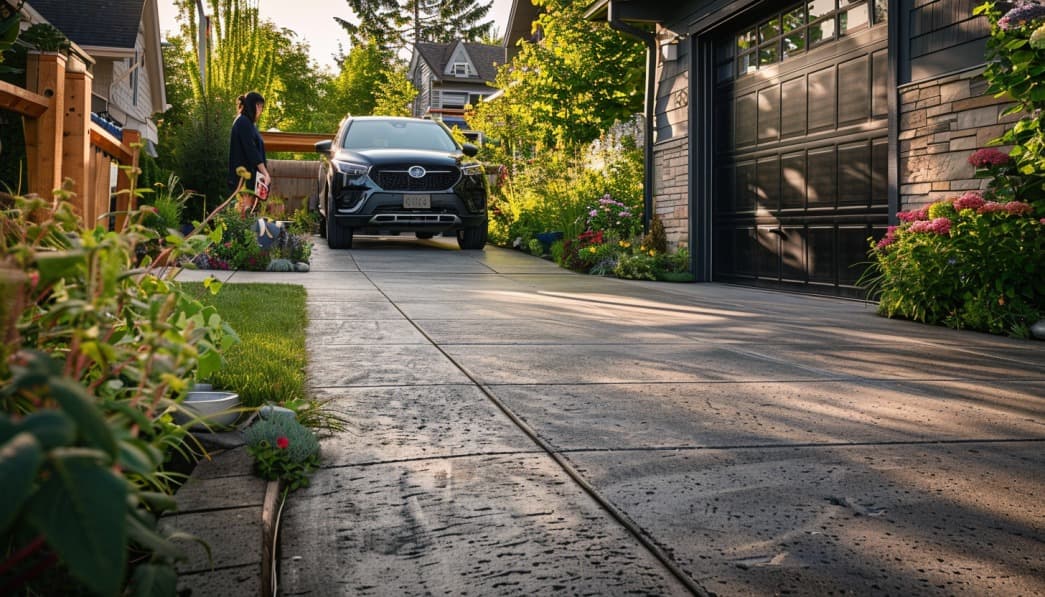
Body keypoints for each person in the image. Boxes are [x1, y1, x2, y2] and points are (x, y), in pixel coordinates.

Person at [228, 91, 270, 215]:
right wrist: (265, 173)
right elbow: (251, 151)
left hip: (249, 179)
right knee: (244, 214)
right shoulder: (244, 123)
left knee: (247, 214)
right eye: (261, 107)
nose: (261, 111)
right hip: (244, 180)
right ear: (257, 106)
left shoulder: (246, 123)